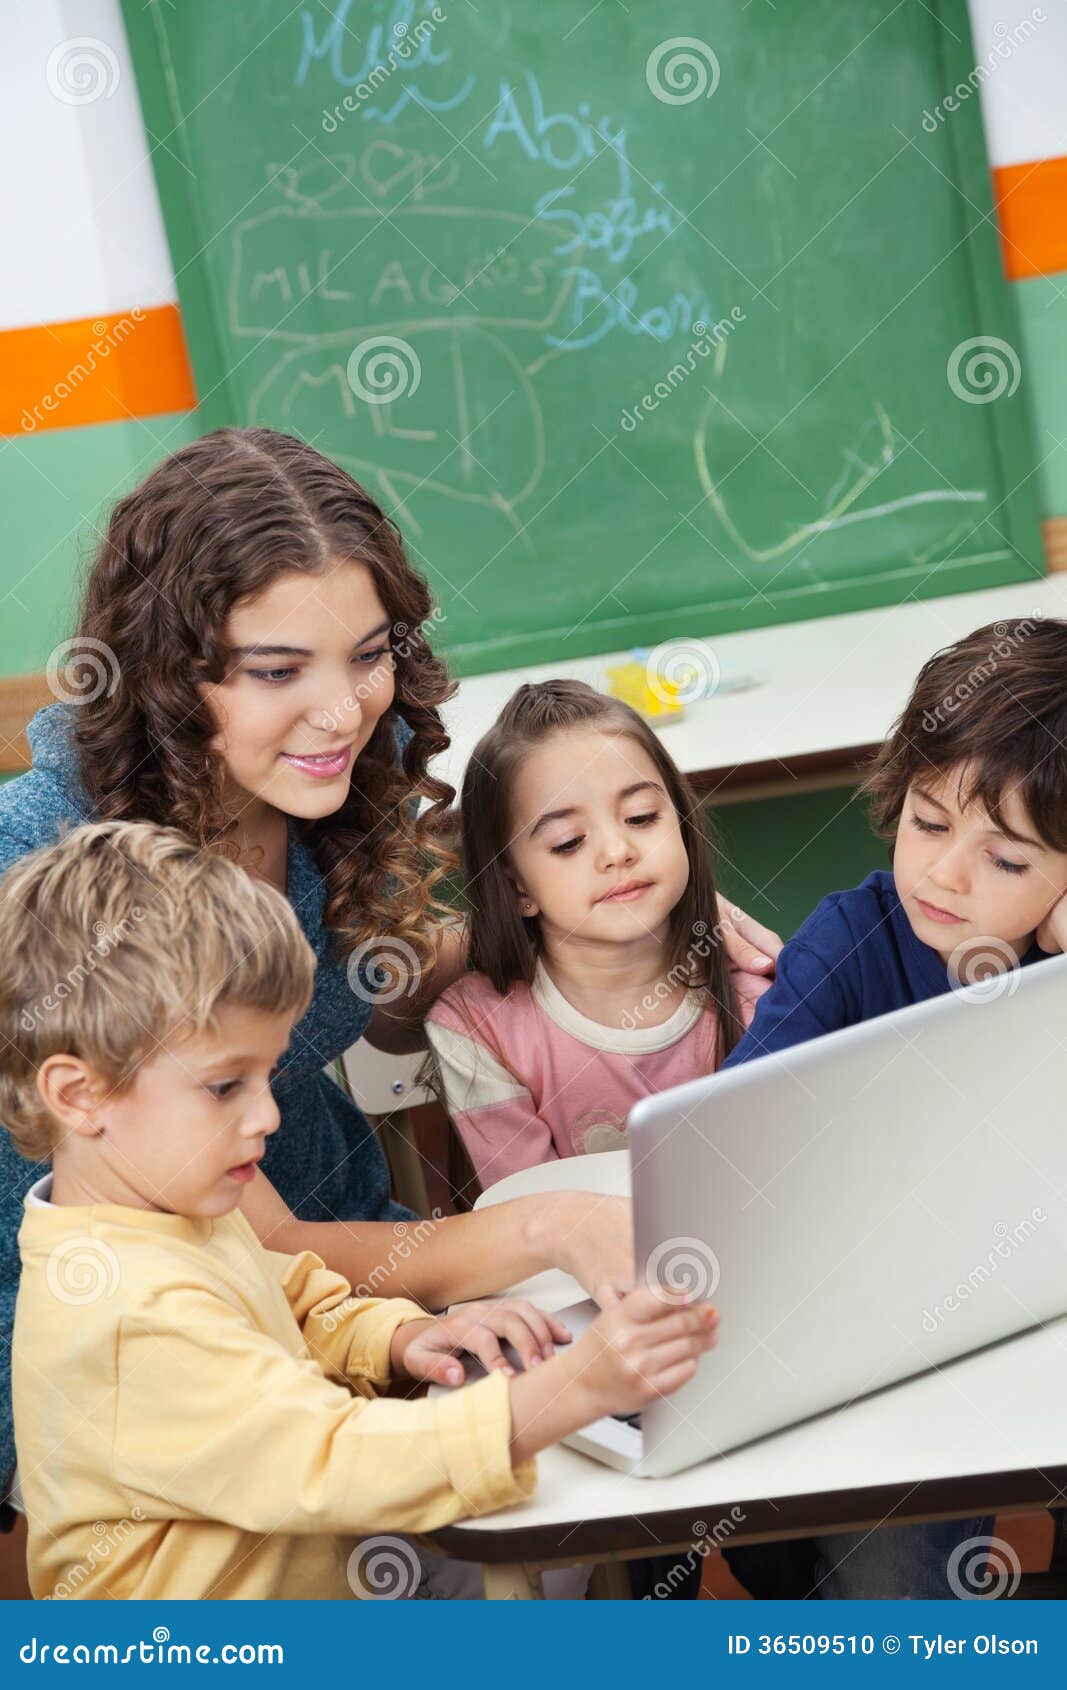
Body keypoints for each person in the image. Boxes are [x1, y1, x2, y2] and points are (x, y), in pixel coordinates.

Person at [0, 427, 781, 1521]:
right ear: (173, 673)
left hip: (338, 1282)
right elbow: (255, 1246)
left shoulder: (300, 784)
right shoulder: (55, 863)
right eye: (278, 670)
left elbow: (374, 970)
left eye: (367, 654)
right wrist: (549, 1224)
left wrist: (605, 924)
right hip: (144, 1341)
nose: (343, 712)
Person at [4, 820, 720, 1600]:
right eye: (224, 1086)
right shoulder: (124, 1319)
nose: (267, 1118)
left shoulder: (164, 1210)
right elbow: (334, 1460)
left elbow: (286, 1300)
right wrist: (575, 1388)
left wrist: (401, 1335)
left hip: (327, 1582)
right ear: (80, 1096)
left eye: (267, 1078)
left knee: (554, 1543)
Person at [721, 617, 1067, 1600]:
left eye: (1006, 861)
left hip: (1031, 1321)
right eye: (926, 821)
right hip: (888, 1347)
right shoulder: (851, 939)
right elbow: (732, 1135)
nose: (945, 873)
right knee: (892, 1587)